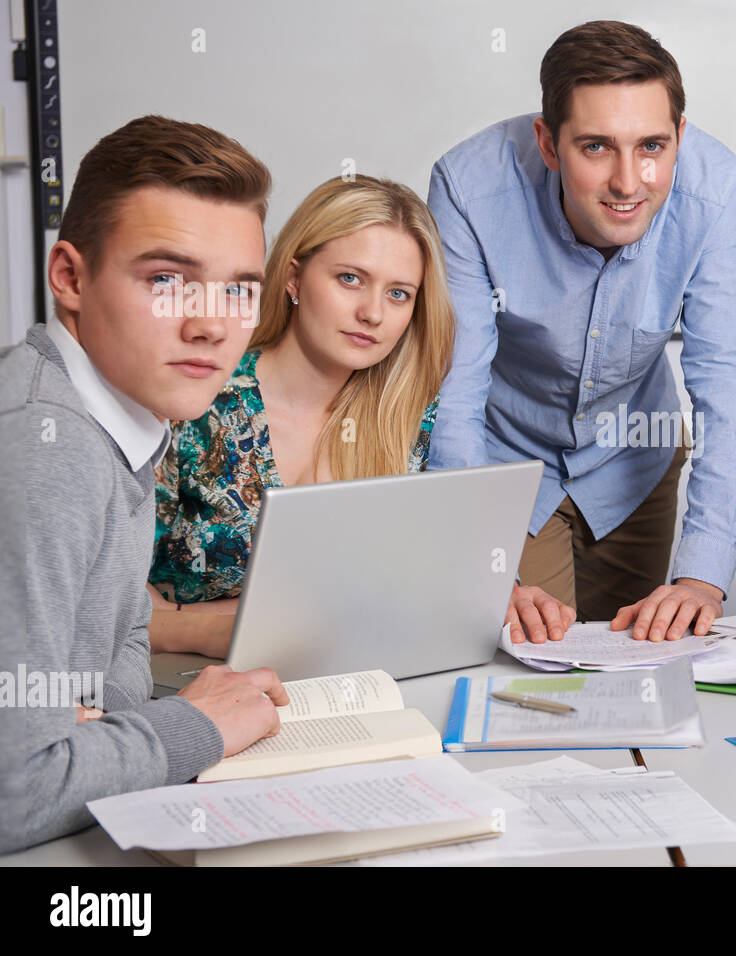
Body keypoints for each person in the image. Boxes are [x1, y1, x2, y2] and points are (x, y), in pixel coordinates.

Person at [426, 20, 736, 645]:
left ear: (680, 139)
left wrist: (703, 576)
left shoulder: (712, 187)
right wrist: (474, 567)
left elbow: (734, 379)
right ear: (548, 143)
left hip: (633, 458)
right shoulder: (469, 189)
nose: (627, 181)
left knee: (637, 667)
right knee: (528, 672)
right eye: (595, 147)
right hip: (508, 464)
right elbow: (453, 389)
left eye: (651, 147)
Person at [0, 115, 289, 851]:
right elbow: (13, 793)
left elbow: (124, 639)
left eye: (238, 291)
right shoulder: (48, 444)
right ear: (70, 278)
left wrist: (90, 728)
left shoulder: (122, 414)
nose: (210, 326)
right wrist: (195, 726)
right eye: (167, 281)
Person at [147, 175, 454, 657]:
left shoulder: (411, 416)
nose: (373, 313)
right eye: (350, 278)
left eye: (399, 294)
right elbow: (108, 603)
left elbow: (411, 592)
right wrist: (207, 632)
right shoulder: (198, 402)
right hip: (179, 677)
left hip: (348, 671)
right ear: (293, 278)